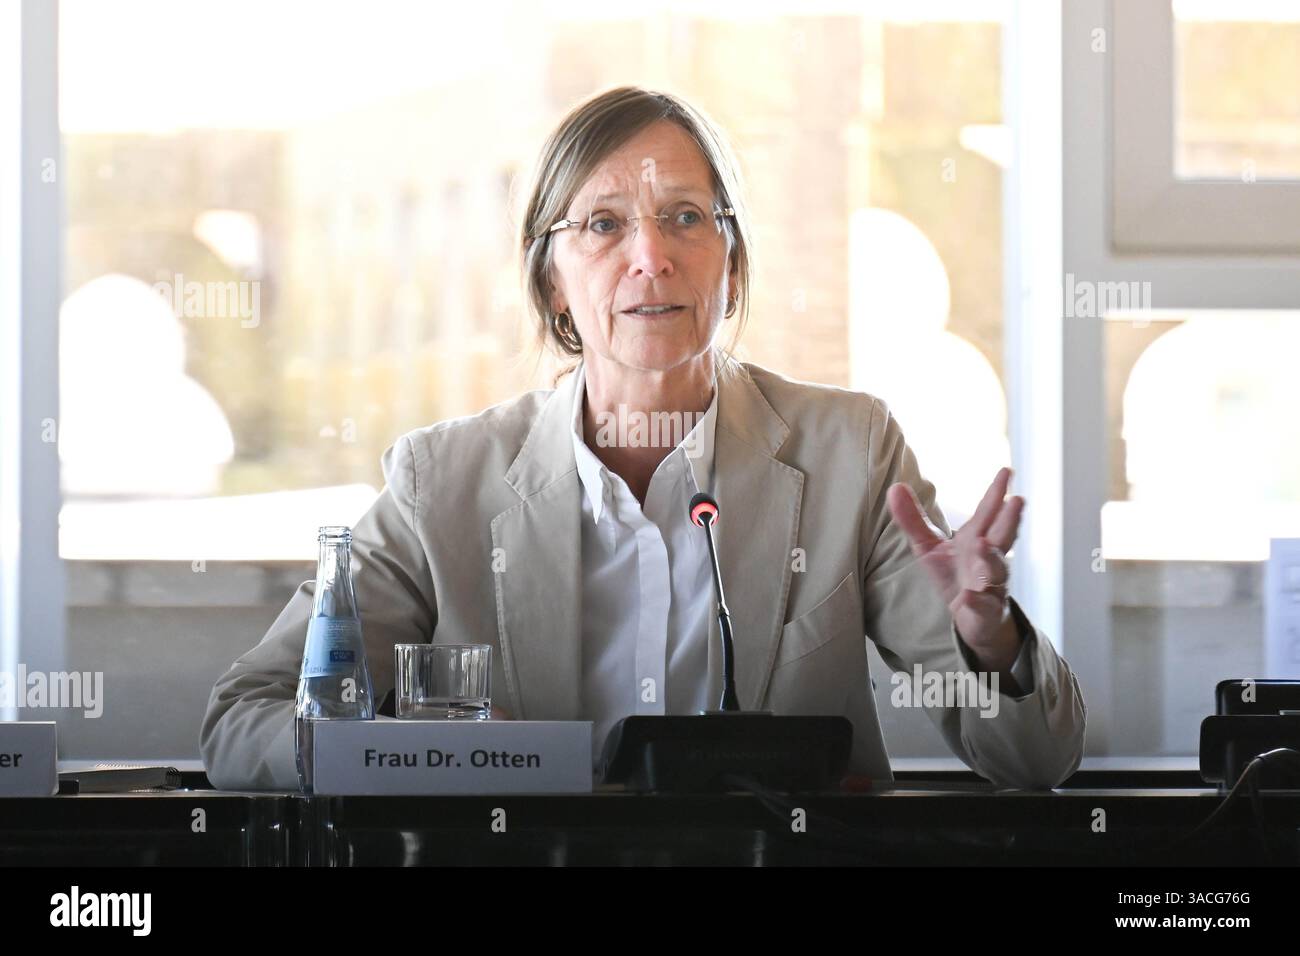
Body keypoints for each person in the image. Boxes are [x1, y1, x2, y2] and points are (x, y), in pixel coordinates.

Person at [201, 86, 1085, 792]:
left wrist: (991, 639)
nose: (651, 257)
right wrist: (432, 757)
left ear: (731, 267)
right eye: (604, 223)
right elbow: (246, 723)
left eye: (687, 218)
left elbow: (1035, 760)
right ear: (552, 283)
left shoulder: (850, 452)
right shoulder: (446, 481)